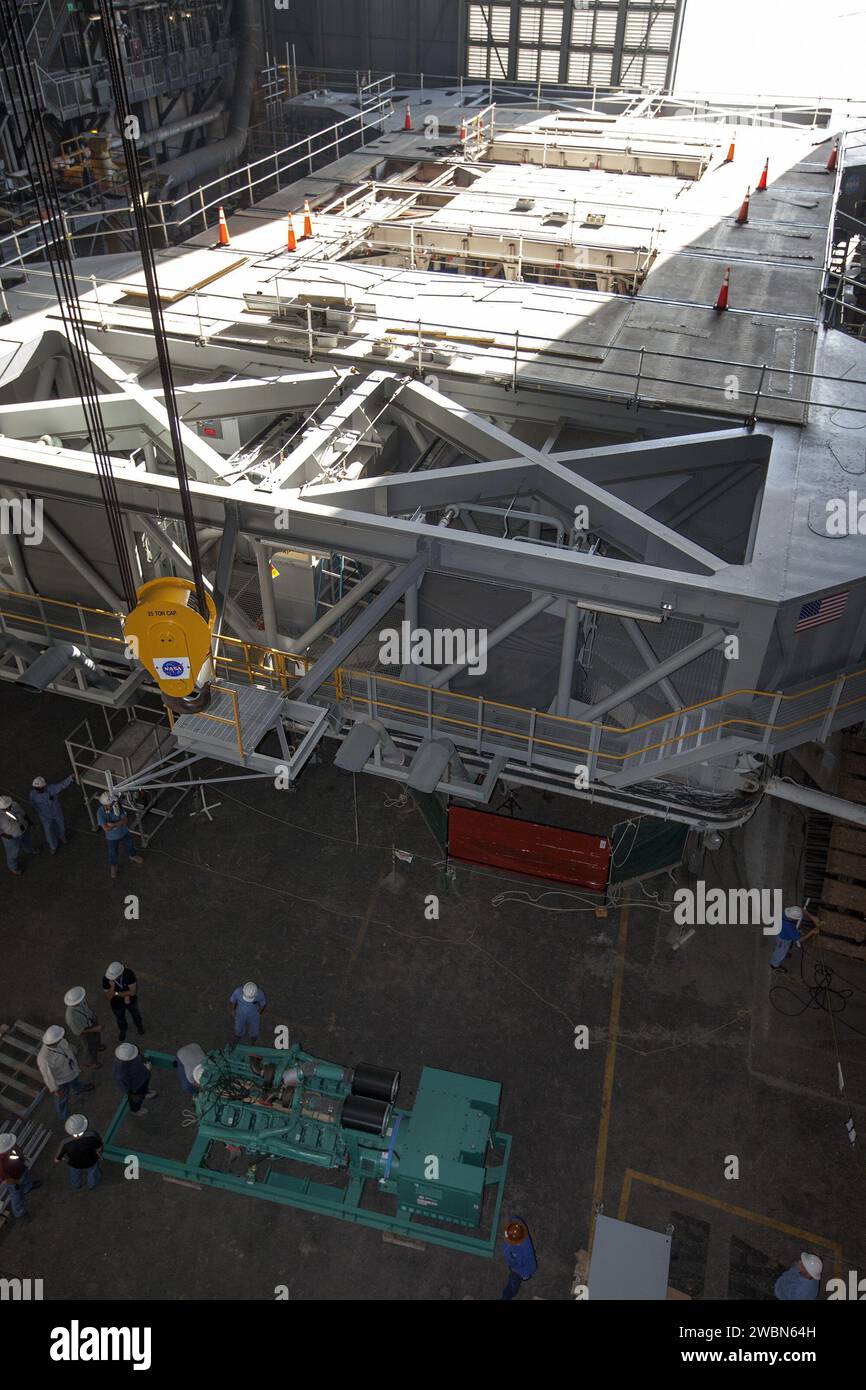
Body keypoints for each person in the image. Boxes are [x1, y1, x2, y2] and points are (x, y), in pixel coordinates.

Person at [36, 1025, 93, 1122]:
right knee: (61, 1099)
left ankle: (79, 1089)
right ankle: (64, 1115)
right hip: (61, 1081)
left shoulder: (61, 1042)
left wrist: (76, 1066)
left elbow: (68, 1053)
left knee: (76, 1082)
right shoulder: (44, 1058)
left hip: (71, 1071)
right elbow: (47, 1075)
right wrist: (55, 1090)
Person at [96, 790, 143, 880]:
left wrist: (113, 825)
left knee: (130, 844)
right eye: (111, 803)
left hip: (124, 832)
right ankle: (114, 865)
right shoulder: (100, 812)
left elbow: (125, 821)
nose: (114, 803)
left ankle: (133, 856)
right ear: (105, 805)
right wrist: (118, 823)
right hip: (111, 838)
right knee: (113, 852)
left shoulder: (117, 806)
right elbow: (106, 828)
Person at [54, 1114, 103, 1192]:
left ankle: (76, 1185)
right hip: (91, 1161)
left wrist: (63, 1158)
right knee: (92, 1173)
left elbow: (56, 1160)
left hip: (75, 1164)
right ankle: (92, 1185)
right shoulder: (92, 1135)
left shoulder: (65, 1143)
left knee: (75, 1174)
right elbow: (99, 1147)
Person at [0, 1132, 42, 1221]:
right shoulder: (1, 1164)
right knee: (16, 1197)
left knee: (26, 1179)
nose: (14, 1144)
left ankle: (28, 1187)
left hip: (21, 1170)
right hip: (13, 1180)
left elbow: (19, 1153)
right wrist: (15, 1183)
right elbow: (6, 1178)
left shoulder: (13, 1148)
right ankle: (20, 1212)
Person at [29, 774, 73, 853]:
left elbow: (62, 785)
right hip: (45, 816)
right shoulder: (33, 795)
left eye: (40, 788)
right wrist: (39, 812)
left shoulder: (51, 789)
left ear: (44, 786)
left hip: (56, 812)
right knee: (48, 831)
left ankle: (62, 837)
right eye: (36, 789)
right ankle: (53, 846)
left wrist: (70, 778)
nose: (38, 790)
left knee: (61, 826)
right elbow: (33, 804)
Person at [64, 986, 104, 1070]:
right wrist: (95, 1029)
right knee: (89, 1047)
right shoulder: (71, 1017)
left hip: (91, 1023)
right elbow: (79, 1032)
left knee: (96, 1038)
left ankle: (98, 1046)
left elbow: (86, 1007)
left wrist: (92, 1016)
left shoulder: (80, 1000)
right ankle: (92, 1063)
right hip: (86, 1032)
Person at [770, 904, 820, 972]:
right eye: (797, 919)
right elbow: (800, 940)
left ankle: (782, 952)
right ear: (793, 918)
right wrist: (811, 932)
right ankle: (774, 965)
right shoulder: (790, 929)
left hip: (778, 932)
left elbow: (799, 909)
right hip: (783, 940)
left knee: (780, 947)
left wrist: (812, 917)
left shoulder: (785, 913)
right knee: (780, 953)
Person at [102, 961, 144, 1041]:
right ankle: (123, 1030)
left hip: (130, 1000)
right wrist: (112, 988)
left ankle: (139, 1026)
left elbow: (133, 992)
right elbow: (108, 997)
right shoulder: (106, 979)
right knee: (120, 1018)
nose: (111, 978)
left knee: (136, 1014)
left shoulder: (128, 974)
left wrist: (116, 993)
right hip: (116, 1004)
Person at [112, 1043, 157, 1115]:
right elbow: (125, 1087)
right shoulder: (120, 1073)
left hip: (143, 1077)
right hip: (136, 1087)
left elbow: (139, 1055)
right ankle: (135, 1110)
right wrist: (133, 1095)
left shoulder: (131, 1054)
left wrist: (145, 1060)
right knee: (136, 1100)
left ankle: (145, 1092)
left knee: (144, 1088)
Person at [0, 794, 38, 875]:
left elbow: (24, 814)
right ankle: (13, 867)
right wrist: (7, 837)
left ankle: (29, 850)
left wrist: (30, 822)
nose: (9, 808)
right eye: (6, 808)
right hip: (11, 837)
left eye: (9, 806)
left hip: (24, 828)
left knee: (27, 841)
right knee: (13, 852)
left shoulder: (15, 804)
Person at [501, 1218, 538, 1299]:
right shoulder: (515, 1227)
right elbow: (513, 1219)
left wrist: (519, 1272)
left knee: (512, 1287)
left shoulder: (526, 1250)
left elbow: (532, 1267)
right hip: (513, 1263)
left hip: (519, 1270)